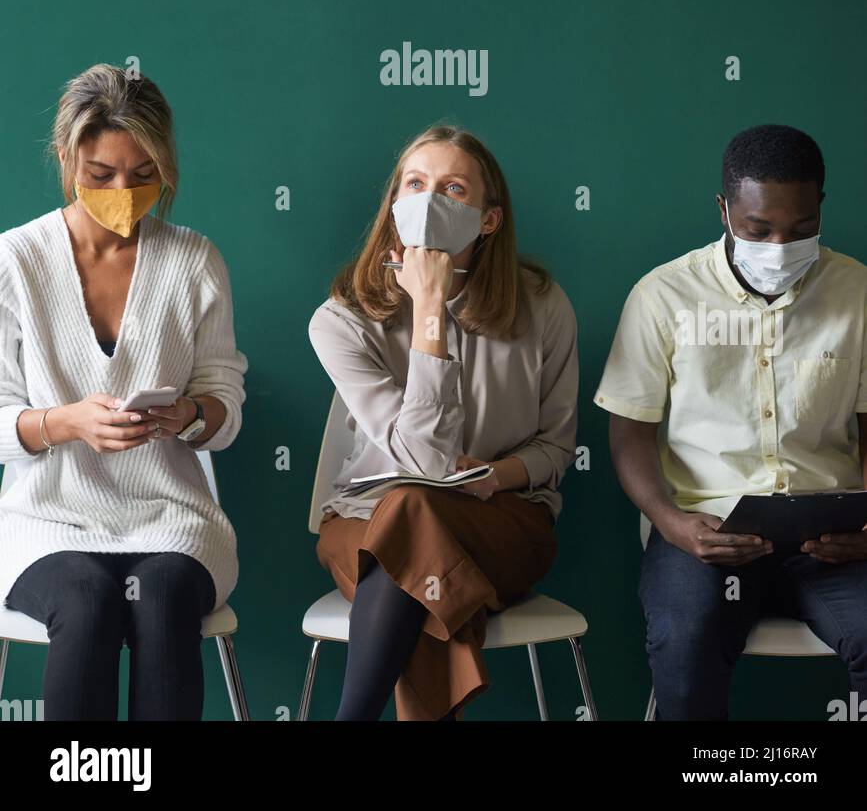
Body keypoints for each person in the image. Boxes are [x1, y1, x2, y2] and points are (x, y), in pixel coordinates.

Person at [0, 63, 248, 721]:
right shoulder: (15, 262)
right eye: (100, 175)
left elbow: (224, 409)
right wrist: (63, 423)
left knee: (161, 600)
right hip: (48, 522)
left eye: (143, 176)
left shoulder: (195, 260)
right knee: (86, 601)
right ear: (64, 158)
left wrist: (188, 414)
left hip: (171, 521)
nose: (123, 192)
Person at [595, 123, 867, 720]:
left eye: (800, 230)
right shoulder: (662, 296)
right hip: (703, 535)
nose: (779, 246)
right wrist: (670, 523)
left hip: (834, 542)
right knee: (685, 644)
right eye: (758, 229)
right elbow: (629, 432)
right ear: (723, 209)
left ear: (822, 205)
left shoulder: (858, 292)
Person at [308, 123, 578, 721]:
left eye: (454, 189)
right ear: (395, 205)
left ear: (489, 219)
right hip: (366, 524)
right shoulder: (340, 320)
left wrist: (495, 475)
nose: (430, 200)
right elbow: (424, 467)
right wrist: (427, 309)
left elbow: (557, 449)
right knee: (412, 515)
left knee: (414, 531)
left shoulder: (543, 304)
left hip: (501, 521)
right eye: (416, 183)